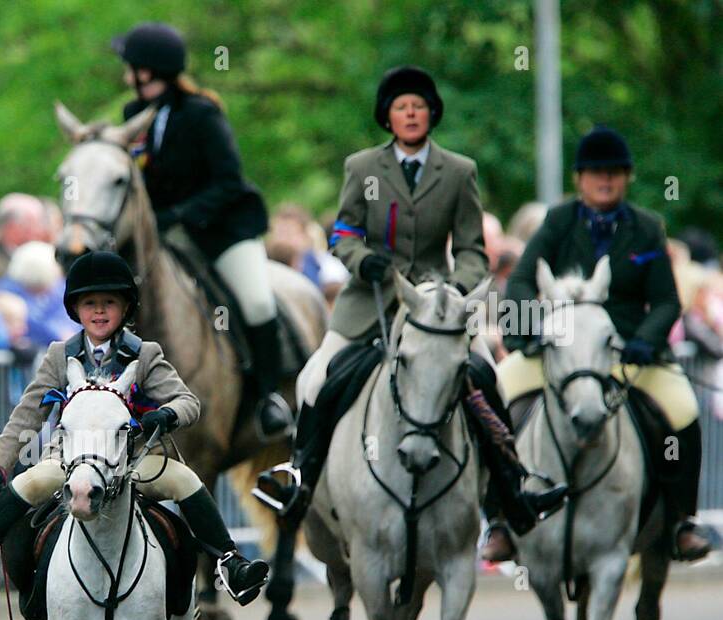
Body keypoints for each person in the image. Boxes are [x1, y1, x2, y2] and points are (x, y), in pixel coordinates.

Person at [266, 66, 566, 539]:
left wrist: (455, 287)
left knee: (489, 377)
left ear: (431, 114)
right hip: (371, 300)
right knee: (314, 378)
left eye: (418, 106)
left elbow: (471, 248)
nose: (410, 113)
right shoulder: (361, 167)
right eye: (402, 107)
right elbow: (343, 233)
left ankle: (509, 496)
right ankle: (300, 481)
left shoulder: (460, 171)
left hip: (437, 306)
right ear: (388, 116)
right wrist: (363, 261)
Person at [0, 250, 270, 604]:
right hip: (70, 459)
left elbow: (188, 402)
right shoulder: (60, 354)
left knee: (185, 480)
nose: (99, 311)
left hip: (131, 461)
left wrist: (166, 415)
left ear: (126, 308)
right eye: (90, 303)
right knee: (33, 481)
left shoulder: (146, 354)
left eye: (109, 302)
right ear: (76, 309)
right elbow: (27, 414)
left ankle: (230, 562)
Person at [496, 125, 712, 562]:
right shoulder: (558, 222)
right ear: (579, 179)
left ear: (627, 177)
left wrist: (645, 342)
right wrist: (527, 332)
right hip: (564, 351)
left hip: (629, 354)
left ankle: (679, 520)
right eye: (596, 172)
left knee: (684, 409)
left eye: (614, 172)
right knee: (497, 396)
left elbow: (668, 301)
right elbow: (520, 279)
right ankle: (500, 516)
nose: (605, 180)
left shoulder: (647, 228)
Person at [113, 21, 292, 440]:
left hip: (220, 230)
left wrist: (179, 214)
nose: (126, 78)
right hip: (163, 237)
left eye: (132, 68)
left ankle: (269, 397)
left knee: (256, 301)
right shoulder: (130, 117)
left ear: (152, 71)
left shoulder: (201, 114)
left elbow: (229, 181)